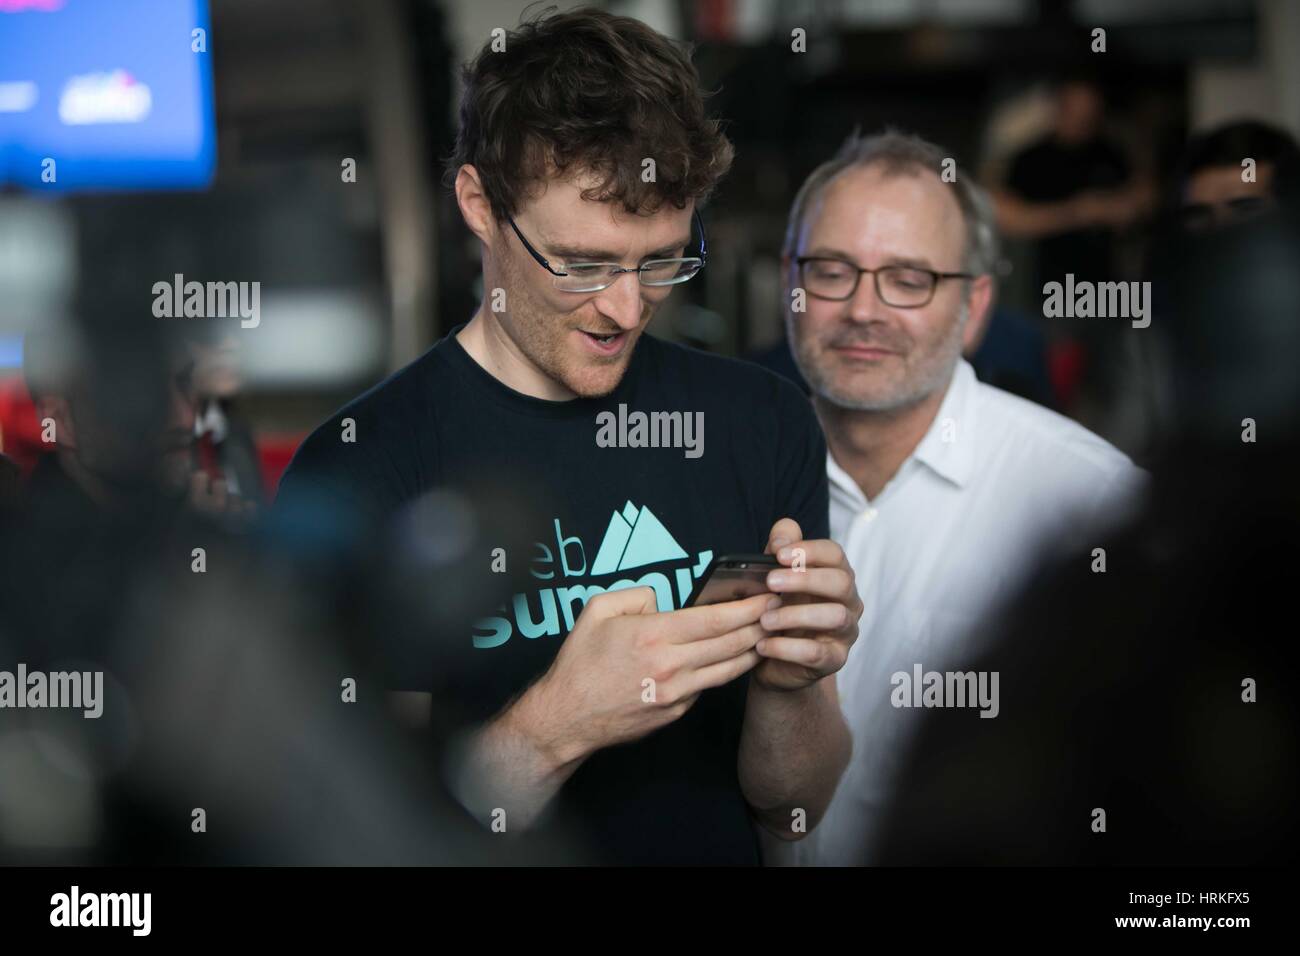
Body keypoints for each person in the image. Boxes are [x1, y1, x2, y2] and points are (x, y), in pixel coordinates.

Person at [276, 7, 861, 865]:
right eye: (582, 264)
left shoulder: (760, 420)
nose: (626, 308)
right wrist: (559, 725)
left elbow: (794, 808)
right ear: (480, 204)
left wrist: (792, 687)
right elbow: (353, 839)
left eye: (660, 258)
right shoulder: (363, 466)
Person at [770, 130, 1146, 865]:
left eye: (909, 279)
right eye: (832, 270)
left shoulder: (1090, 504)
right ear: (789, 281)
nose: (863, 309)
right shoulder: (731, 472)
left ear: (974, 308)